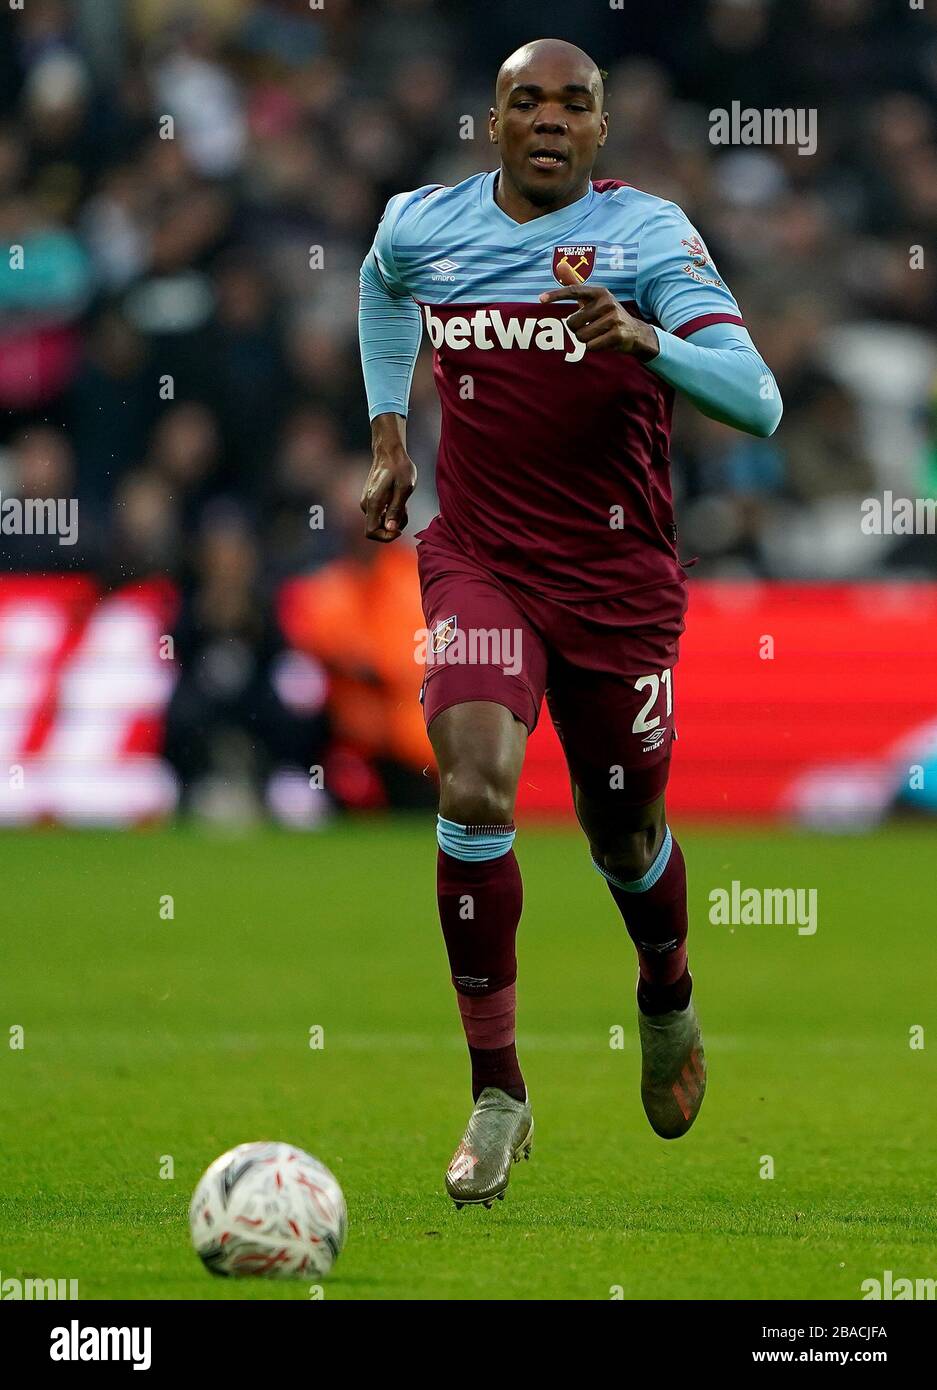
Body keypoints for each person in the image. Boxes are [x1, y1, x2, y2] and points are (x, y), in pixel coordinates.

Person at [357, 38, 782, 1208]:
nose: (550, 119)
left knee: (624, 834)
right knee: (473, 787)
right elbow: (381, 286)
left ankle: (665, 990)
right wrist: (388, 434)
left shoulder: (648, 239)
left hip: (617, 584)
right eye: (527, 101)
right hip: (481, 564)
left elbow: (759, 400)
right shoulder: (423, 225)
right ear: (491, 121)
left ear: (600, 130)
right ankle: (497, 1088)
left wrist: (646, 339)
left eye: (574, 104)